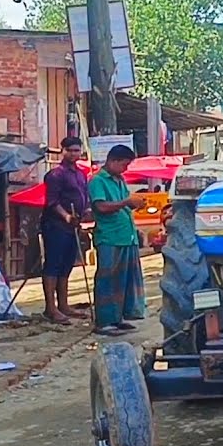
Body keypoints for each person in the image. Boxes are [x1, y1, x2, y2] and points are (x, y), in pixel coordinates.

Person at [88, 144, 146, 337]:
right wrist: (126, 202)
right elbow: (101, 207)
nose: (125, 169)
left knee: (124, 280)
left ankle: (118, 317)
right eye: (124, 164)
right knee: (108, 279)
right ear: (113, 161)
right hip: (109, 237)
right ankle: (104, 321)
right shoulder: (98, 181)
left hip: (125, 236)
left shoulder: (119, 180)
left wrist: (133, 204)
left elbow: (123, 206)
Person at [40, 136, 90, 325]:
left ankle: (64, 305)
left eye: (77, 150)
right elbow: (52, 202)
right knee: (53, 264)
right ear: (63, 151)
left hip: (74, 226)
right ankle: (50, 309)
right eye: (70, 150)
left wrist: (85, 212)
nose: (74, 154)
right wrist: (66, 216)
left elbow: (84, 197)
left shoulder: (81, 174)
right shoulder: (55, 175)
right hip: (56, 225)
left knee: (67, 264)